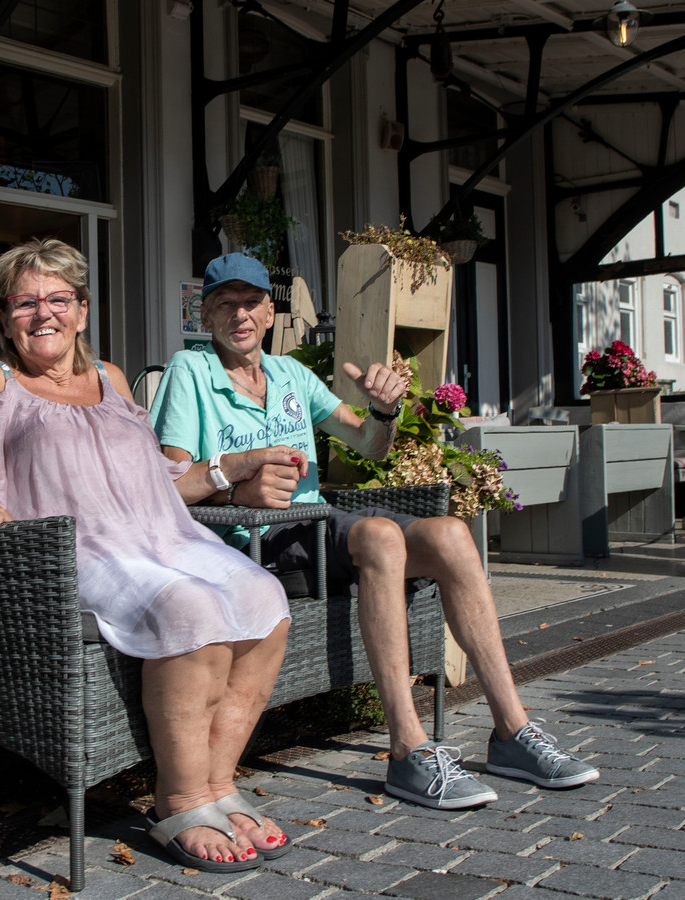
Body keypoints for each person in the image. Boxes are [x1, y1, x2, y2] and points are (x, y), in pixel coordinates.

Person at [150, 252, 599, 810]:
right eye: (224, 304)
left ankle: (512, 729)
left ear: (269, 312)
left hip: (315, 524)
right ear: (206, 315)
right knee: (381, 535)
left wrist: (384, 414)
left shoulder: (290, 374)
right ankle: (408, 749)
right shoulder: (190, 372)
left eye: (250, 303)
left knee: (452, 535)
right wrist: (233, 489)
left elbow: (367, 445)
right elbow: (171, 483)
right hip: (253, 540)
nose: (239, 315)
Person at [0, 239, 301, 872]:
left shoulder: (112, 379)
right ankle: (178, 798)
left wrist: (227, 474)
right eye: (25, 302)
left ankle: (217, 784)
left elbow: (159, 476)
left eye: (58, 299)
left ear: (83, 310)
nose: (43, 313)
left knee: (266, 596)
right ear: (3, 316)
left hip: (160, 536)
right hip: (77, 551)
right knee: (190, 607)